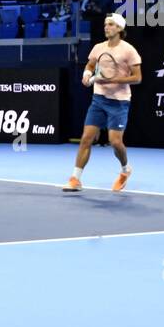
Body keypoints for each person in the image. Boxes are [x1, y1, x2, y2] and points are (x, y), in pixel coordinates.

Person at [63, 12, 142, 192]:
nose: (107, 27)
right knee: (86, 139)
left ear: (120, 28)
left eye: (111, 24)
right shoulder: (98, 47)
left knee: (115, 142)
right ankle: (75, 178)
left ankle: (125, 170)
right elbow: (91, 65)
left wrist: (113, 81)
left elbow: (137, 78)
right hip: (98, 100)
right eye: (106, 24)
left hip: (119, 102)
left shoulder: (129, 50)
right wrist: (87, 74)